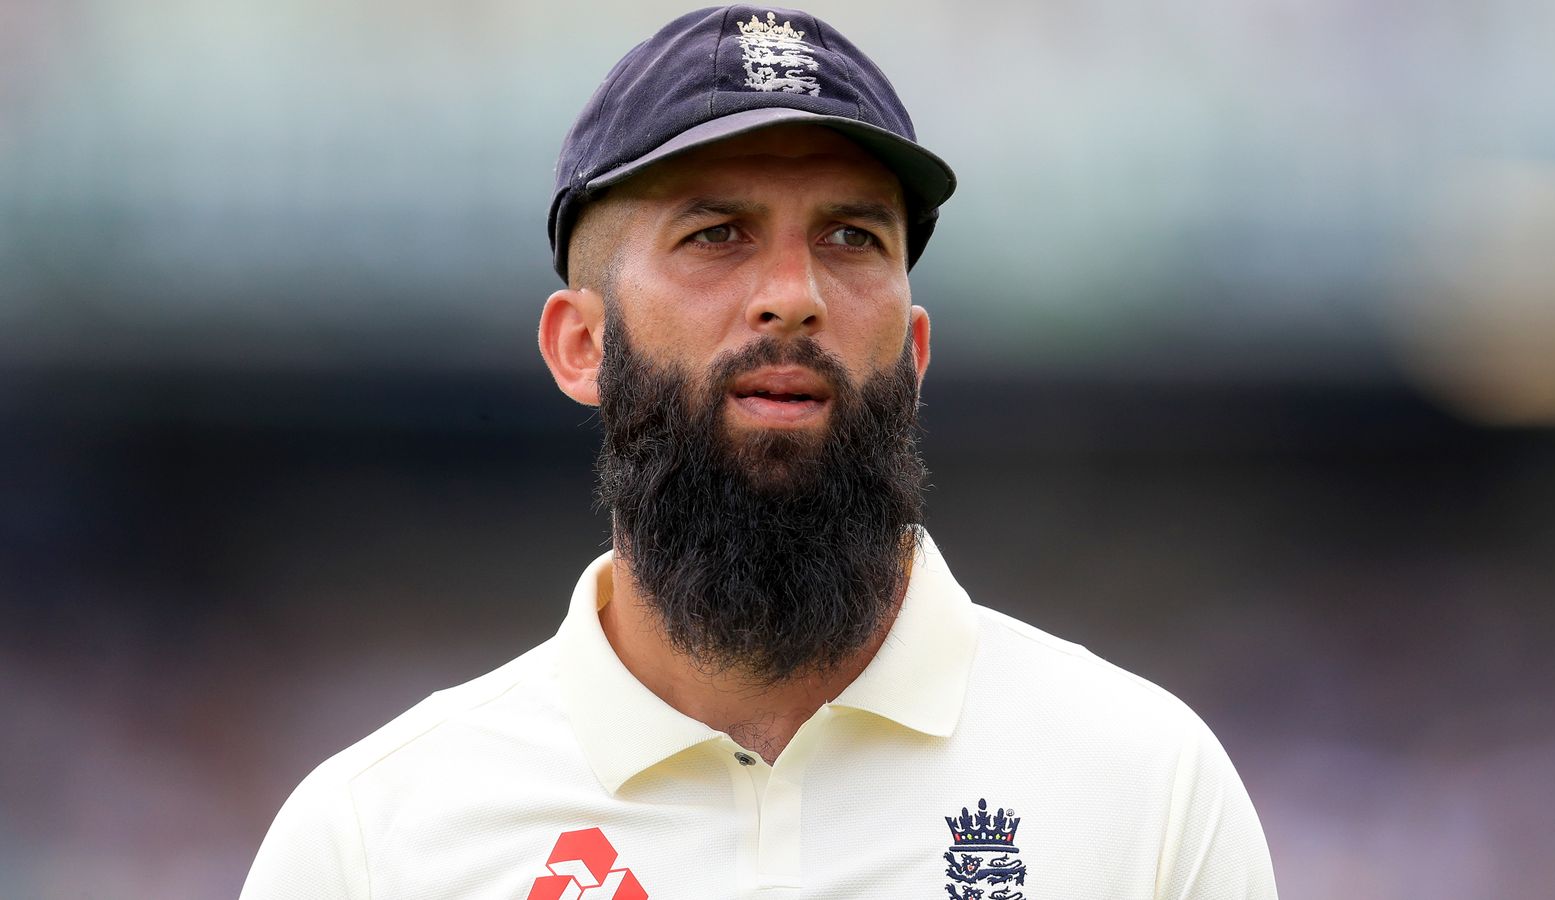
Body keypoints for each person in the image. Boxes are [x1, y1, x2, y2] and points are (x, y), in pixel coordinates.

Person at [241, 6, 1277, 898]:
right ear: (582, 345)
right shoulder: (375, 839)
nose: (794, 294)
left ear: (914, 353)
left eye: (850, 237)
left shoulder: (1145, 789)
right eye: (717, 234)